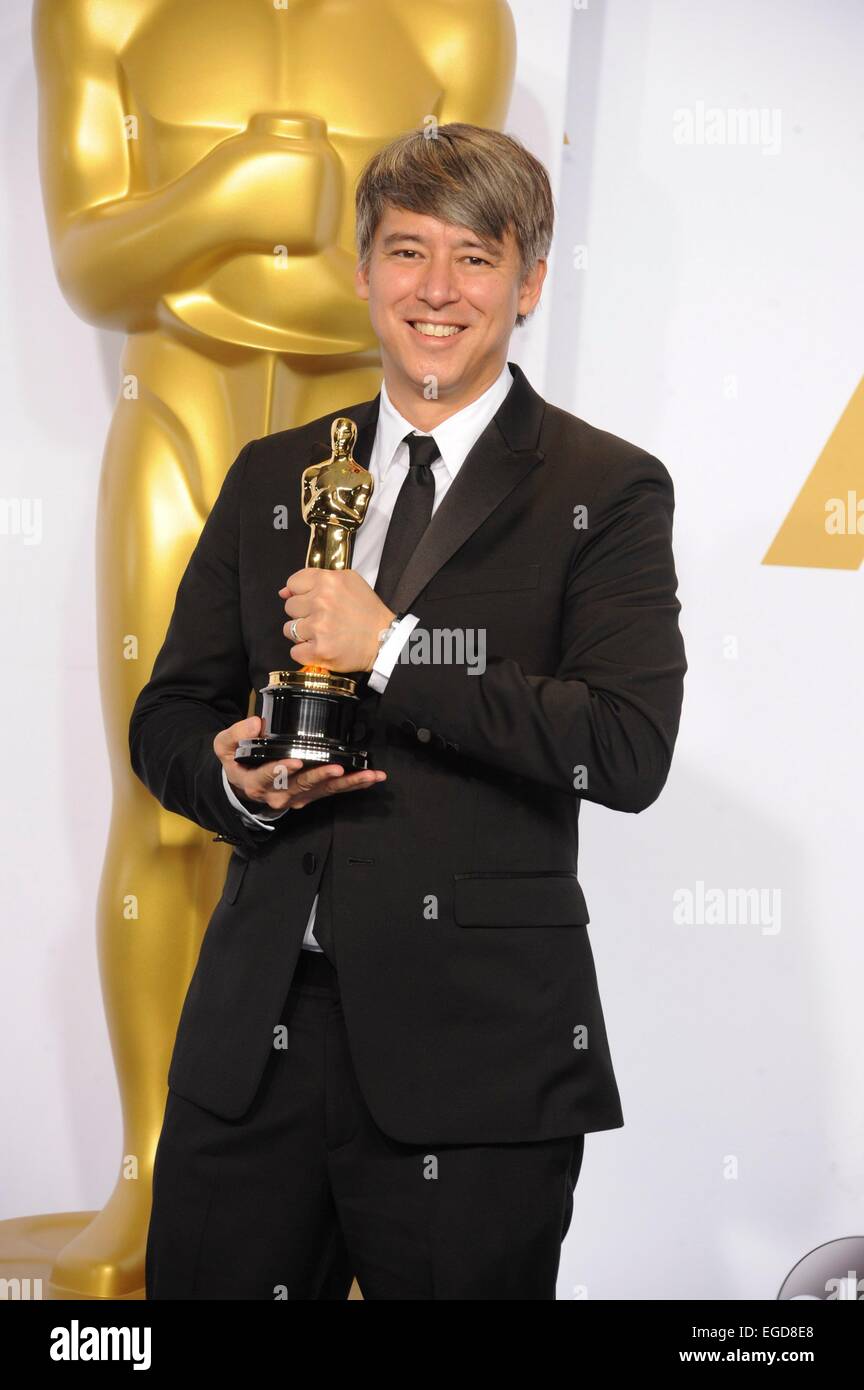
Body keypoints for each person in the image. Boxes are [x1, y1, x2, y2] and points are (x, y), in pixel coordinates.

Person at [132, 122, 687, 1300]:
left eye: (475, 258)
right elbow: (168, 712)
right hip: (254, 1050)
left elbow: (625, 746)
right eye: (407, 251)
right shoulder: (275, 476)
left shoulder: (606, 488)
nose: (436, 291)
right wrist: (229, 777)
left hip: (477, 1060)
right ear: (364, 271)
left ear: (530, 280)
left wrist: (391, 648)